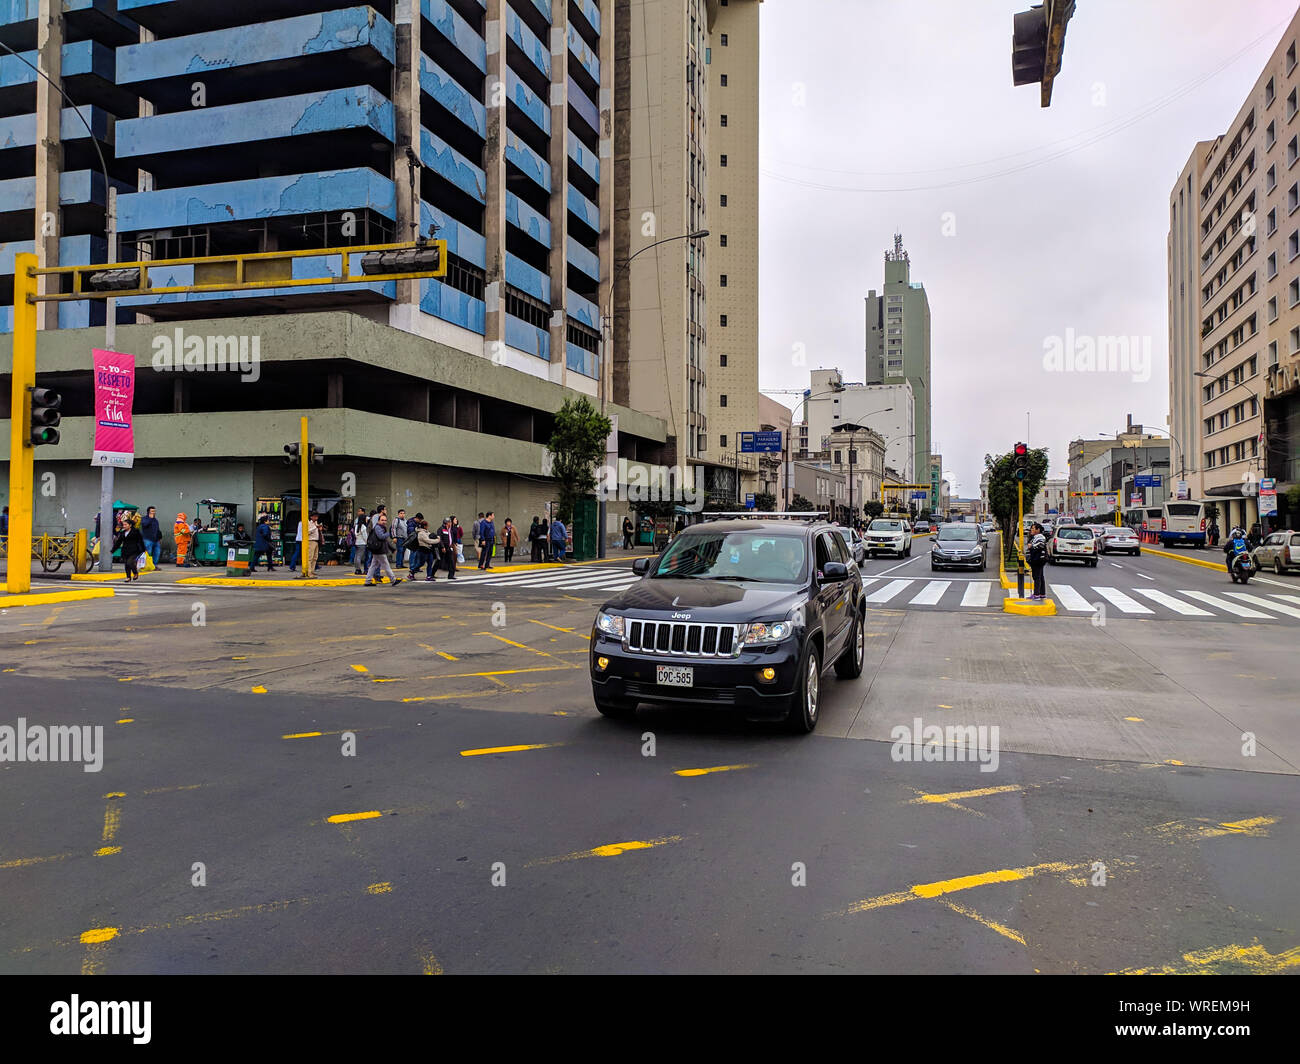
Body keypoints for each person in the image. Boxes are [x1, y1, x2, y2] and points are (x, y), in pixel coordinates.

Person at [363, 511, 403, 586]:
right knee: (386, 565)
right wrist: (389, 533)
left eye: (385, 520)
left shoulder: (381, 527)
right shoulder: (378, 527)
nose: (384, 522)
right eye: (382, 520)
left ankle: (368, 581)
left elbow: (385, 541)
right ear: (378, 520)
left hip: (378, 550)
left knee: (373, 566)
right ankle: (393, 580)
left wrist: (392, 549)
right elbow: (381, 537)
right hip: (379, 550)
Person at [115, 512, 146, 582]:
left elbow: (140, 540)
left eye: (126, 525)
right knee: (126, 564)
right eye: (123, 525)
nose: (124, 526)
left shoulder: (135, 532)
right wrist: (113, 550)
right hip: (125, 550)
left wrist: (143, 549)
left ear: (130, 525)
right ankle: (128, 577)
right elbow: (119, 542)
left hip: (134, 550)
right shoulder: (122, 533)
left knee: (130, 562)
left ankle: (135, 573)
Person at [1026, 521, 1048, 601]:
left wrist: (1031, 546)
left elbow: (1040, 545)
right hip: (1038, 559)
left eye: (1033, 528)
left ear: (1038, 530)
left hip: (1037, 559)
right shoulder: (1036, 537)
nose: (1031, 530)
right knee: (1040, 576)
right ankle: (1042, 594)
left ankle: (1036, 594)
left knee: (1036, 577)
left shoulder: (1040, 537)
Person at [302, 512, 323, 579]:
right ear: (311, 517)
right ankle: (309, 572)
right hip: (311, 541)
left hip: (316, 541)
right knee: (310, 557)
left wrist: (319, 529)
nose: (316, 518)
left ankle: (312, 571)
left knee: (315, 557)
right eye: (315, 516)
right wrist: (315, 527)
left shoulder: (316, 523)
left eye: (317, 517)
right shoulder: (308, 523)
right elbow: (307, 532)